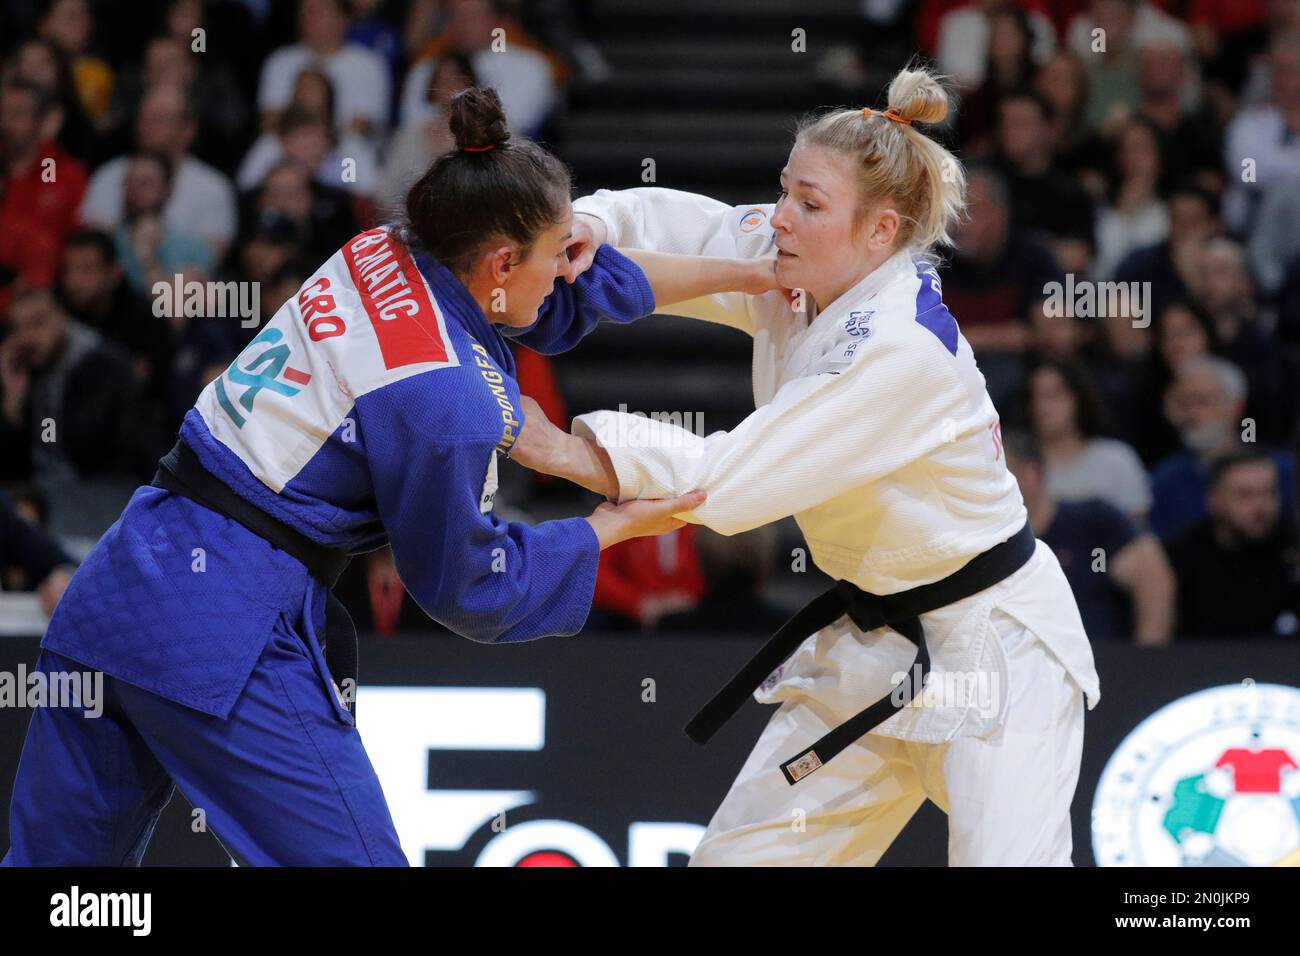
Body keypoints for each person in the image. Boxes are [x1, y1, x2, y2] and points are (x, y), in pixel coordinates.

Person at [0, 87, 778, 867]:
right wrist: (605, 529)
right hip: (221, 620)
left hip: (127, 573)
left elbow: (567, 291)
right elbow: (466, 587)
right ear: (504, 262)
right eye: (557, 254)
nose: (567, 272)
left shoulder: (383, 248)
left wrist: (749, 277)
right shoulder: (441, 395)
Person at [519, 66, 1101, 866]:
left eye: (809, 205)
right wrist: (587, 221)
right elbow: (690, 228)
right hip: (870, 640)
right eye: (785, 191)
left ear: (882, 232)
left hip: (996, 652)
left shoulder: (901, 351)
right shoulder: (803, 263)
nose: (780, 220)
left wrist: (562, 449)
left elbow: (732, 482)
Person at [1003, 430, 1173, 644]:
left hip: (1100, 662)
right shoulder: (981, 542)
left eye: (995, 474)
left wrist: (1146, 658)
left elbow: (1150, 576)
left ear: (1031, 473)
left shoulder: (1092, 522)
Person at [1166, 451, 1300, 639]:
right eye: (1245, 495)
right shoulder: (1181, 555)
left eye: (1269, 492)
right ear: (1215, 500)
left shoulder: (1292, 547)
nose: (1260, 506)